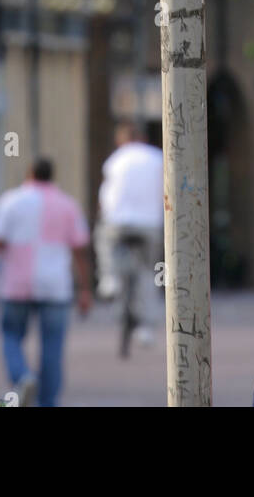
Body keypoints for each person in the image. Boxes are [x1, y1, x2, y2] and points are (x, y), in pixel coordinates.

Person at [0, 157, 91, 407]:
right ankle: (48, 401)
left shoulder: (11, 201)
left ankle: (22, 376)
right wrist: (85, 289)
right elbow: (80, 250)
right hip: (55, 285)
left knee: (11, 335)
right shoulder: (67, 205)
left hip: (16, 282)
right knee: (52, 347)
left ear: (29, 174)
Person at [95, 122, 164, 345]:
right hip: (149, 224)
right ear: (142, 138)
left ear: (121, 140)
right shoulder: (158, 157)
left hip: (119, 223)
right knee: (148, 272)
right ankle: (145, 329)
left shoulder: (116, 160)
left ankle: (109, 278)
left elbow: (105, 197)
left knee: (102, 237)